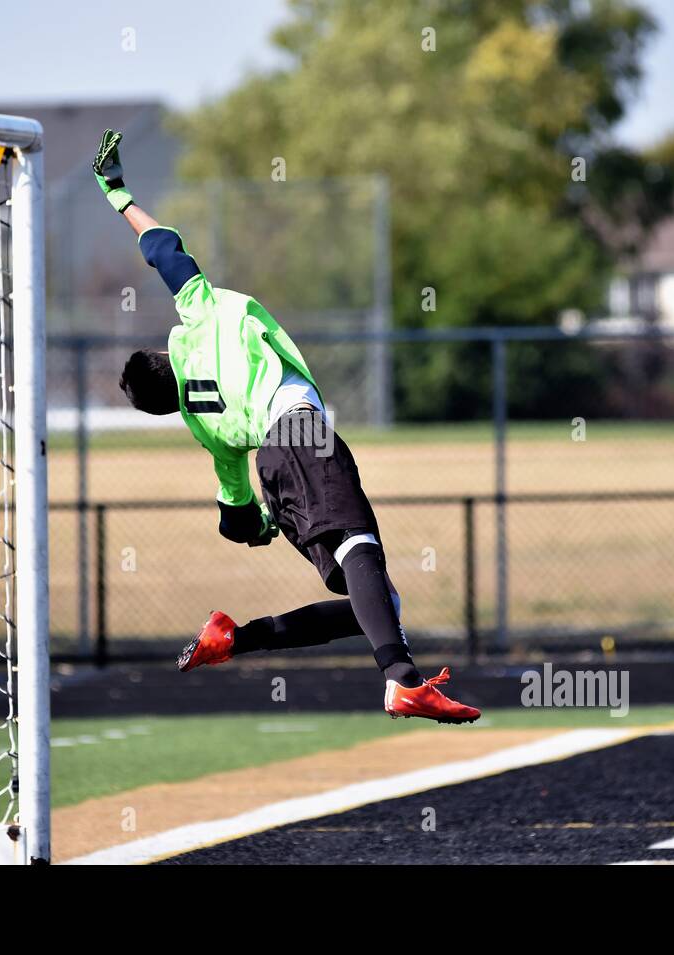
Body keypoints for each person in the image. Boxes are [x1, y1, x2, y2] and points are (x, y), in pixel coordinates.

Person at [93, 129, 480, 723]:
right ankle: (401, 680)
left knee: (376, 601)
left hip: (274, 466)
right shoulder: (196, 313)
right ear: (162, 357)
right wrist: (119, 195)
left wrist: (256, 525)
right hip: (299, 433)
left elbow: (235, 511)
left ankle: (233, 638)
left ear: (165, 406)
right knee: (360, 549)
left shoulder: (206, 430)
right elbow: (162, 248)